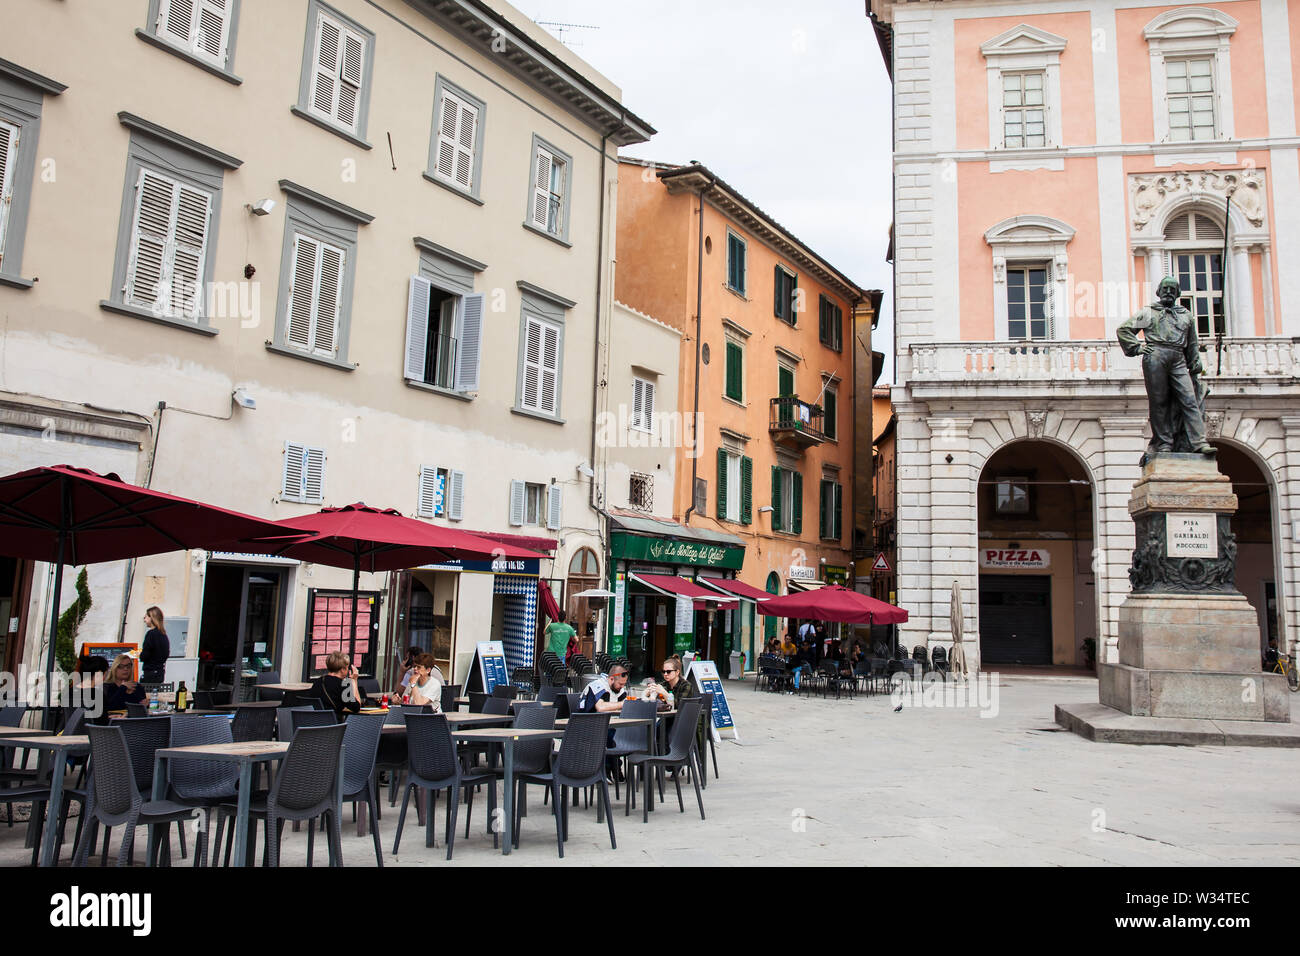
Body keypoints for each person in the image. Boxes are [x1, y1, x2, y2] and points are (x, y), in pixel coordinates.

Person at [1117, 275, 1215, 457]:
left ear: (1178, 293)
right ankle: (1164, 443)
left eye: (1172, 289)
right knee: (1159, 402)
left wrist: (1195, 362)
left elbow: (1192, 342)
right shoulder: (1149, 313)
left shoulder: (1186, 315)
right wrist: (1138, 348)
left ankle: (1199, 442)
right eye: (1165, 289)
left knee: (1189, 400)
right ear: (1159, 292)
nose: (1168, 292)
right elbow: (1124, 330)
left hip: (1178, 357)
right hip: (1155, 356)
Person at [318, 651, 362, 720]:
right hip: (333, 724)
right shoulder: (343, 684)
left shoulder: (318, 682)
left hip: (315, 723)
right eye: (347, 668)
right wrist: (354, 680)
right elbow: (356, 707)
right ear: (342, 670)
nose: (348, 670)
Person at [139, 606, 170, 684]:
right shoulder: (163, 634)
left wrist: (140, 655)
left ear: (151, 618)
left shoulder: (151, 634)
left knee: (147, 695)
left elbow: (145, 654)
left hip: (150, 673)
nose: (144, 620)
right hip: (159, 672)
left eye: (145, 617)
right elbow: (166, 653)